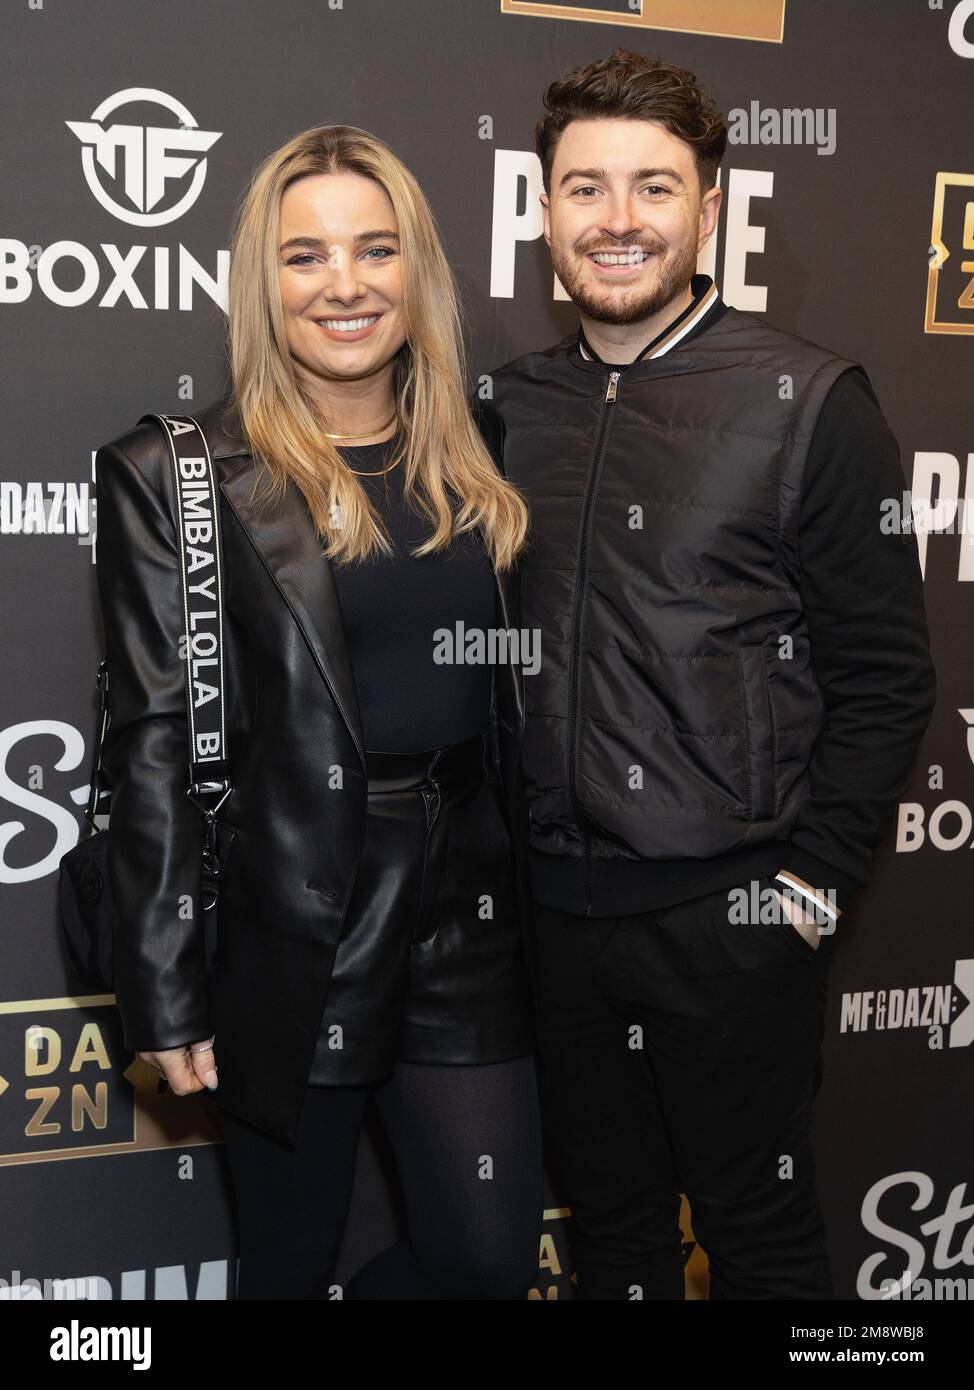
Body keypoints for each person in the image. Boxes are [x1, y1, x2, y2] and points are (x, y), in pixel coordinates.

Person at [479, 49, 937, 1299]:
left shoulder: (806, 402)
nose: (615, 220)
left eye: (651, 187)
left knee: (759, 1240)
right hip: (557, 919)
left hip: (732, 919)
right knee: (613, 1235)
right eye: (584, 188)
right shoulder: (503, 409)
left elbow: (888, 670)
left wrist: (809, 882)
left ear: (711, 210)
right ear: (543, 208)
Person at [94, 124, 543, 1299]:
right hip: (296, 910)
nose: (343, 284)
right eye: (305, 257)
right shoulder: (175, 472)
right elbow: (148, 736)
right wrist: (163, 985)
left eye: (374, 249)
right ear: (263, 281)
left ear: (416, 272)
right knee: (290, 1262)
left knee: (486, 1255)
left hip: (464, 900)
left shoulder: (480, 450)